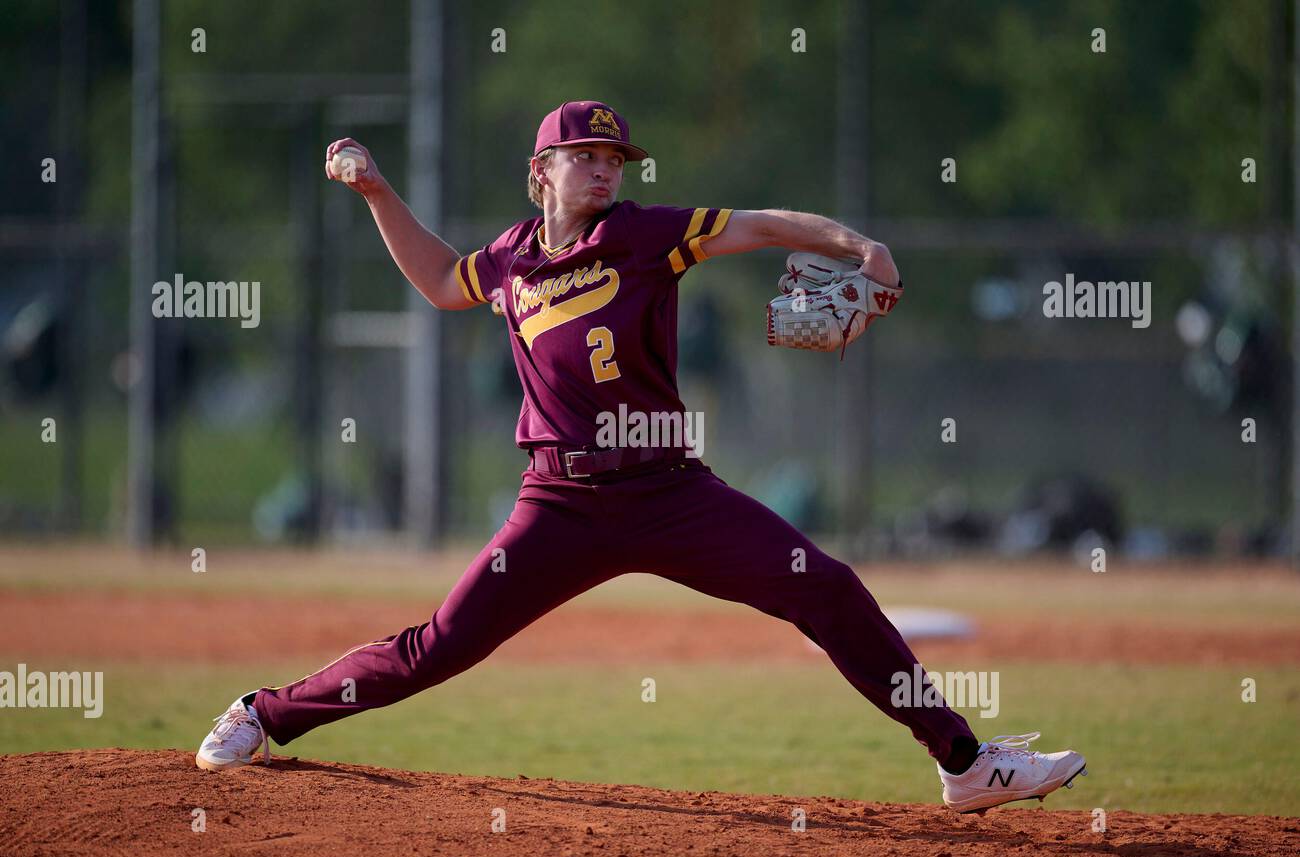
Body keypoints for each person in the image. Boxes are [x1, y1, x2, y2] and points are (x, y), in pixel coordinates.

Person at [196, 101, 1085, 814]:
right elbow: (438, 282)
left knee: (828, 587)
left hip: (671, 491)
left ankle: (965, 764)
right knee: (438, 647)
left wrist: (856, 245)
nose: (606, 168)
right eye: (587, 155)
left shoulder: (650, 233)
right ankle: (259, 714)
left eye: (615, 159)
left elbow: (764, 225)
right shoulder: (510, 260)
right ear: (541, 172)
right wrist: (378, 192)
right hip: (558, 505)